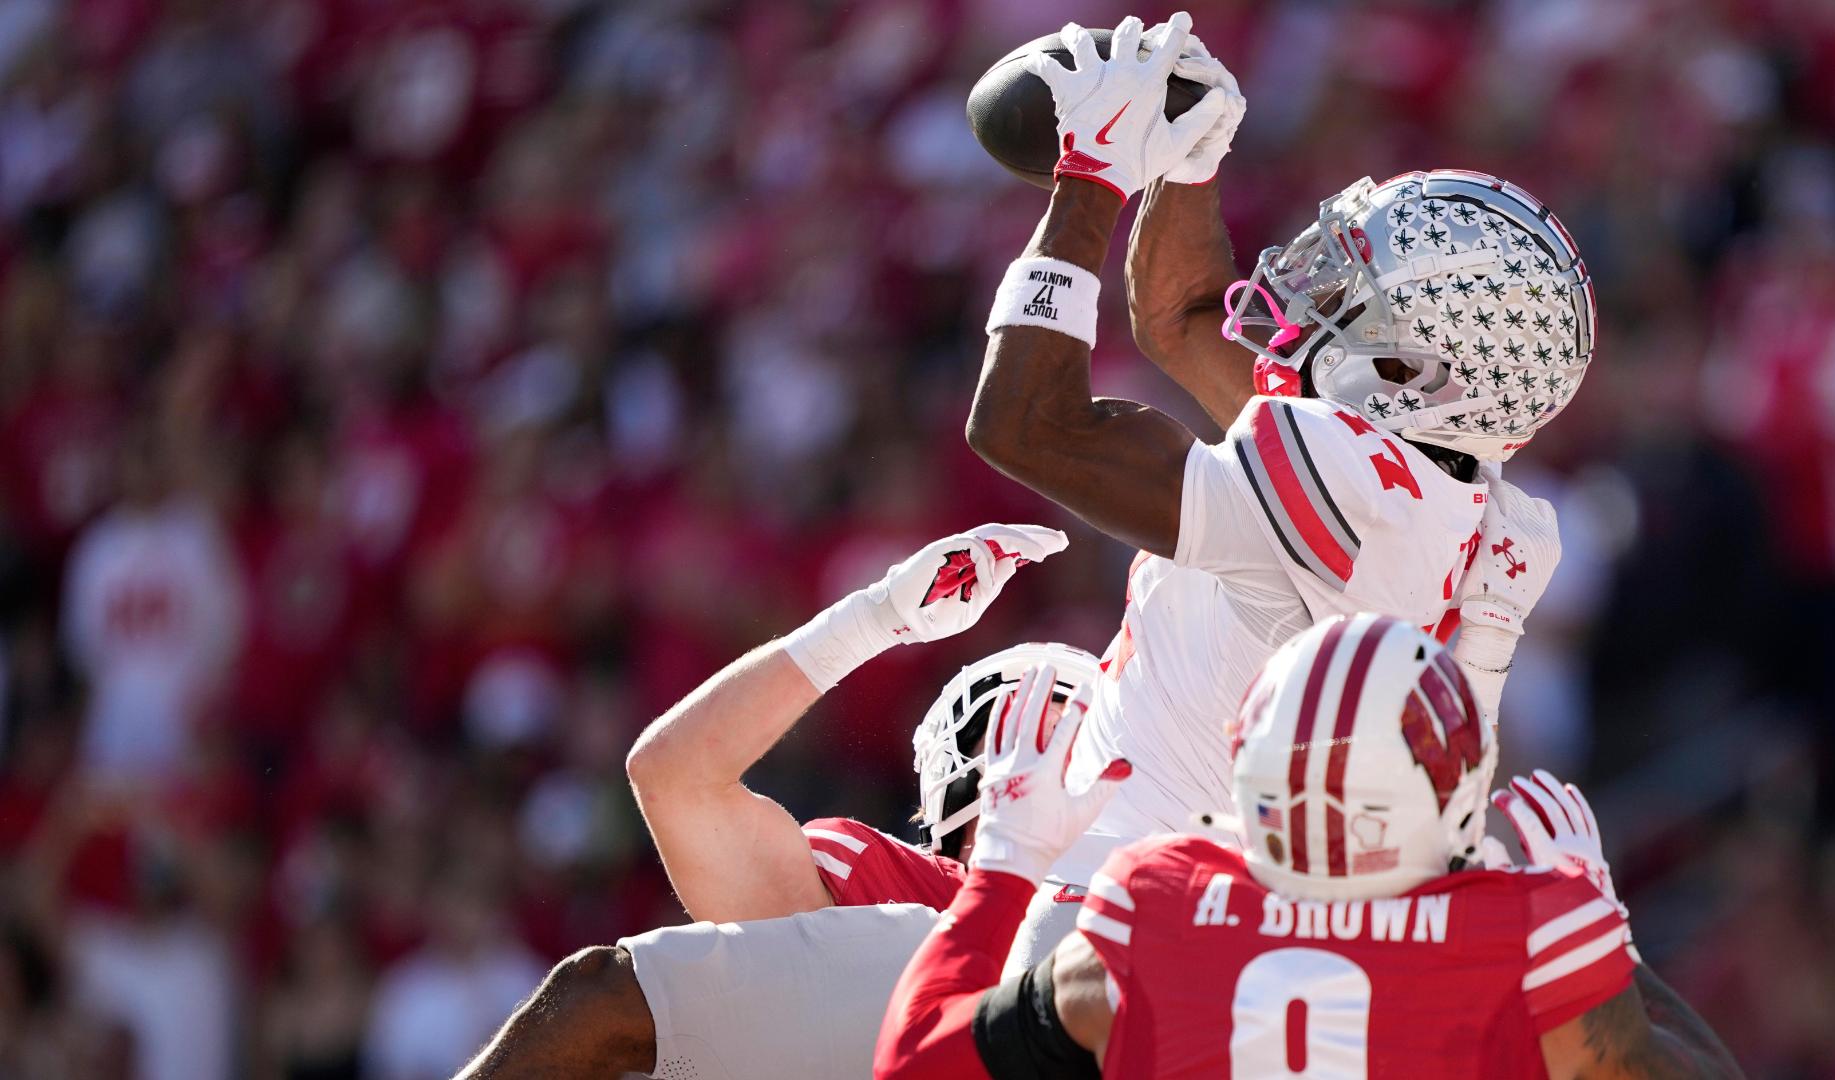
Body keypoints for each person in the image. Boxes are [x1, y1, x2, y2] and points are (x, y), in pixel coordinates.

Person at [965, 13, 1581, 967]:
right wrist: (1191, 156)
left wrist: (1092, 177)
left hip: (1111, 915)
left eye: (1347, 295)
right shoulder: (1421, 469)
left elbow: (1024, 428)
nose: (1311, 285)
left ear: (1413, 372)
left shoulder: (1352, 491)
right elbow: (1180, 320)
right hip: (1176, 906)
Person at [875, 615, 1744, 1078]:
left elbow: (915, 1066)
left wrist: (1007, 864)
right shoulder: (1534, 934)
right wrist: (1602, 923)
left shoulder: (1156, 899)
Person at [457, 523, 1100, 1079]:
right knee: (597, 996)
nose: (1058, 753)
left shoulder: (1171, 884)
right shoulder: (895, 885)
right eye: (1037, 726)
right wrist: (871, 619)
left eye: (1080, 734)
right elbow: (675, 780)